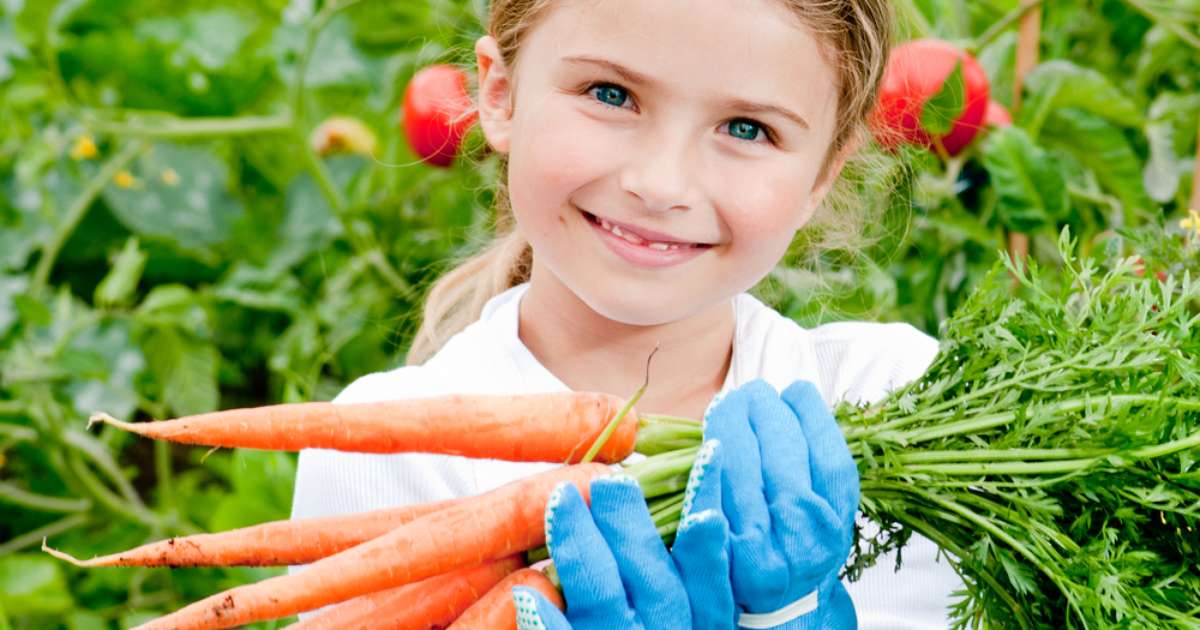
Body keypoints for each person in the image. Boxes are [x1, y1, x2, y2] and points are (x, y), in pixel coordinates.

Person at [290, 0, 963, 627]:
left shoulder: (899, 403)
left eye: (747, 129)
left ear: (822, 176)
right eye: (610, 94)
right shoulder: (382, 453)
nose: (661, 184)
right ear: (500, 94)